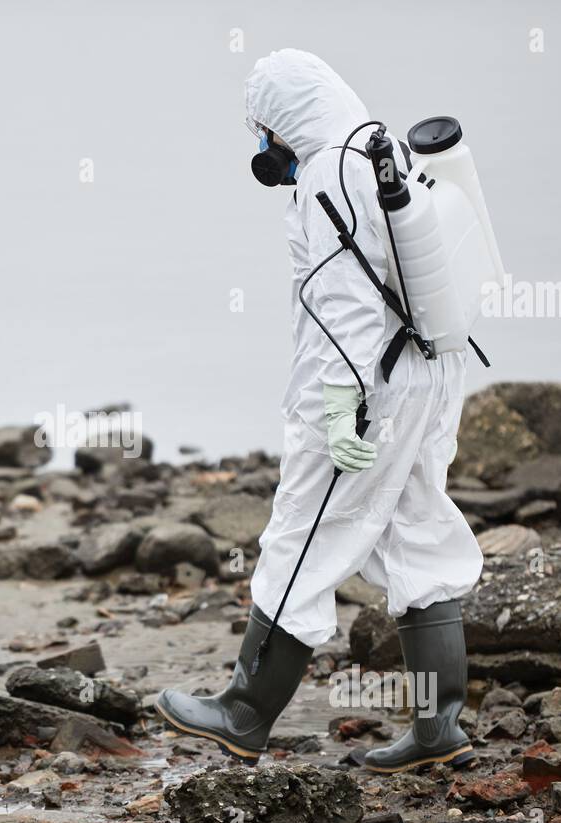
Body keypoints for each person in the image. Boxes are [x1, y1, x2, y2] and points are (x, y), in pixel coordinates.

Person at [155, 50, 483, 772]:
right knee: (418, 532)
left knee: (302, 535)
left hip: (367, 387)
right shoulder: (381, 147)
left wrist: (340, 408)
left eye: (265, 131)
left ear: (285, 120)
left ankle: (244, 711)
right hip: (428, 373)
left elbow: (344, 308)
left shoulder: (328, 174)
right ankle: (439, 728)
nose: (265, 149)